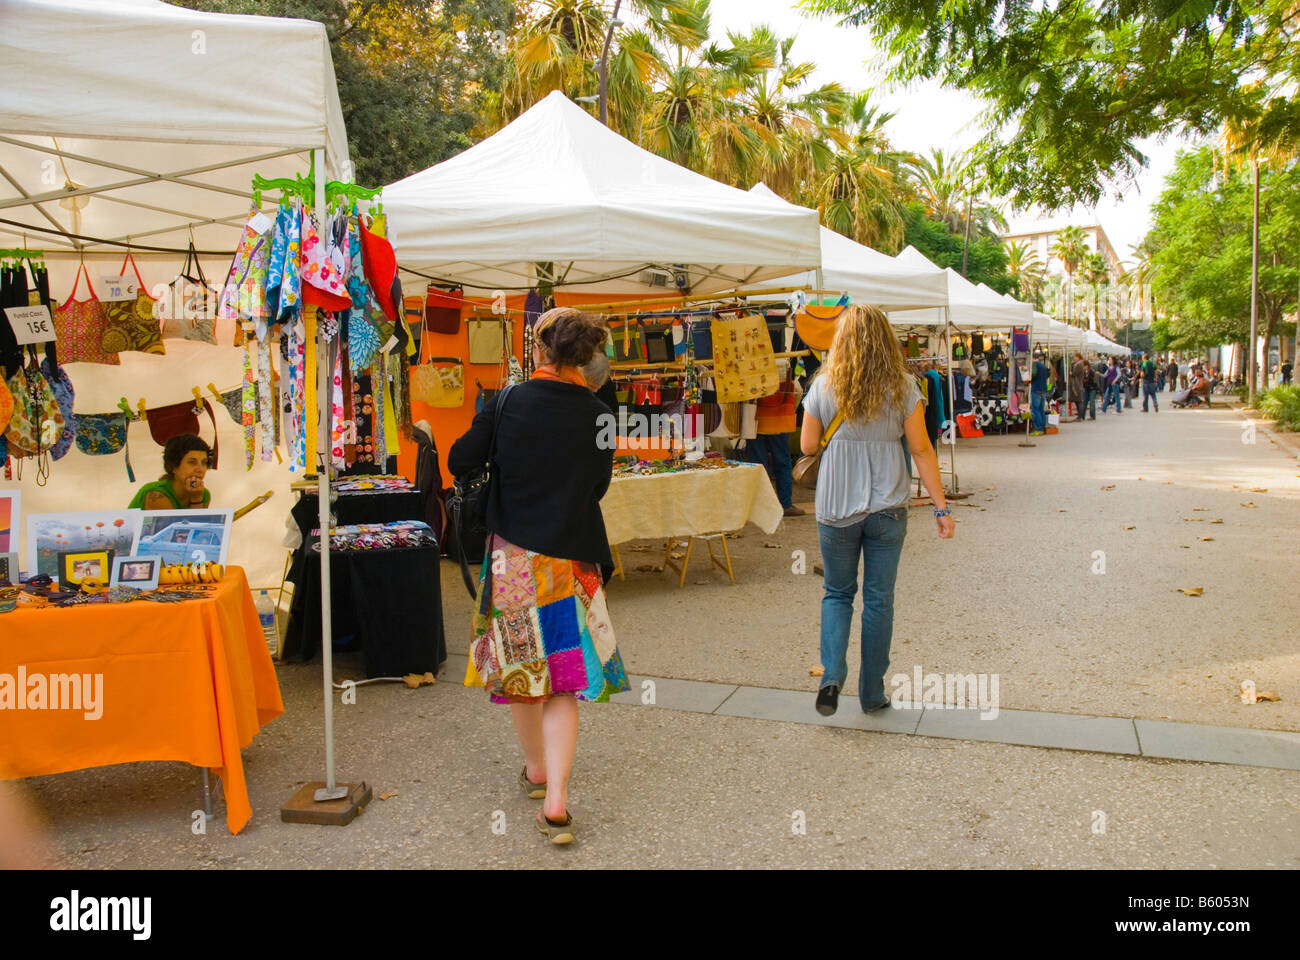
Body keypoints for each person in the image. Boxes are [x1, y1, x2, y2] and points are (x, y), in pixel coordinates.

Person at [448, 306, 628, 845]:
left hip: (514, 560)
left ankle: (535, 771)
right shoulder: (599, 415)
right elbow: (598, 489)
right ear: (587, 357)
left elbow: (460, 461)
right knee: (563, 683)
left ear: (541, 351)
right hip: (572, 560)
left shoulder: (506, 402)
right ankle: (556, 804)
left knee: (523, 674)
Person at [800, 305, 954, 718]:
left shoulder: (824, 385)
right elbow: (921, 449)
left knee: (836, 593)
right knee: (879, 600)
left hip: (835, 505)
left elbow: (807, 447)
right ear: (887, 340)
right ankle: (872, 693)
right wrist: (941, 508)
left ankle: (831, 675)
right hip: (888, 505)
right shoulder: (904, 387)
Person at [747, 358, 805, 517]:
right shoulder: (783, 362)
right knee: (782, 462)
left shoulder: (750, 362)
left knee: (757, 464)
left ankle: (759, 505)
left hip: (755, 419)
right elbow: (797, 391)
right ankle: (785, 504)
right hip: (779, 420)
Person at [127, 434, 212, 509]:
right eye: (192, 462)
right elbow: (181, 526)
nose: (200, 469)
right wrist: (196, 500)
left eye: (204, 463)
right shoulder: (156, 494)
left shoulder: (203, 494)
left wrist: (197, 497)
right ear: (173, 466)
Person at [1029, 353, 1049, 435]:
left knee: (1035, 409)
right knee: (1041, 409)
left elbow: (1032, 375)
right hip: (1043, 389)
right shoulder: (1043, 366)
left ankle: (1038, 428)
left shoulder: (1034, 365)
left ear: (1032, 358)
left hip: (1036, 389)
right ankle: (1043, 427)